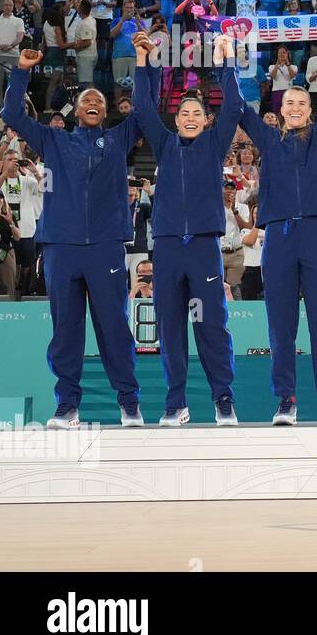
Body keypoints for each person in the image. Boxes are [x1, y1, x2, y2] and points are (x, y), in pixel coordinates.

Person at [2, 49, 142, 428]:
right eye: (86, 100)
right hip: (61, 247)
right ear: (76, 111)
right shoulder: (53, 140)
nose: (93, 103)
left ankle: (129, 403)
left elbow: (143, 111)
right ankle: (67, 407)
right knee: (65, 331)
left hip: (105, 246)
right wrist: (21, 72)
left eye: (99, 100)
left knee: (113, 327)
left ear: (105, 110)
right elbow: (11, 116)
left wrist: (145, 63)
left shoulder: (118, 138)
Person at [238, 19, 317, 425]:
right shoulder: (267, 140)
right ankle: (286, 400)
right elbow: (236, 106)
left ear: (310, 110)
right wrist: (226, 62)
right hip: (280, 238)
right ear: (280, 111)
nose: (296, 108)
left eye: (302, 103)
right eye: (289, 104)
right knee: (280, 327)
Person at [131, 33, 242, 426]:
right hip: (168, 248)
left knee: (211, 326)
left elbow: (235, 106)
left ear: (205, 120)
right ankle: (176, 403)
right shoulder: (164, 145)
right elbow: (143, 109)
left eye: (196, 113)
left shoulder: (215, 143)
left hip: (203, 247)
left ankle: (222, 400)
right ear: (176, 121)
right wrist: (142, 61)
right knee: (172, 328)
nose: (190, 118)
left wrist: (228, 60)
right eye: (184, 114)